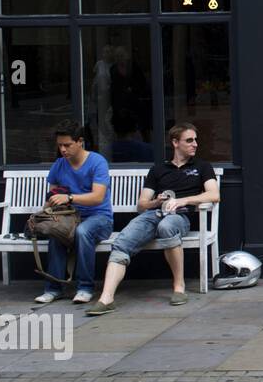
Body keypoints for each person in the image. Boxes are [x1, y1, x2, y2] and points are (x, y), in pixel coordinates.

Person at [86, 123, 219, 315]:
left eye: (195, 140)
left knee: (167, 226)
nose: (195, 144)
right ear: (175, 142)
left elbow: (214, 195)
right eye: (189, 140)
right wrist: (156, 201)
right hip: (153, 214)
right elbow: (142, 205)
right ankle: (106, 299)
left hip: (179, 216)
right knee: (122, 242)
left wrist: (183, 201)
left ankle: (179, 287)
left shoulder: (202, 167)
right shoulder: (158, 169)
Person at [34, 120, 113, 306]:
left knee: (82, 232)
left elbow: (97, 197)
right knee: (56, 233)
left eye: (67, 145)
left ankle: (85, 287)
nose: (63, 149)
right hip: (69, 217)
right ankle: (53, 289)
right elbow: (52, 196)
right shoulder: (59, 164)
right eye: (60, 145)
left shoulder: (97, 162)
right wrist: (47, 210)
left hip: (99, 218)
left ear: (80, 142)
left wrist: (69, 198)